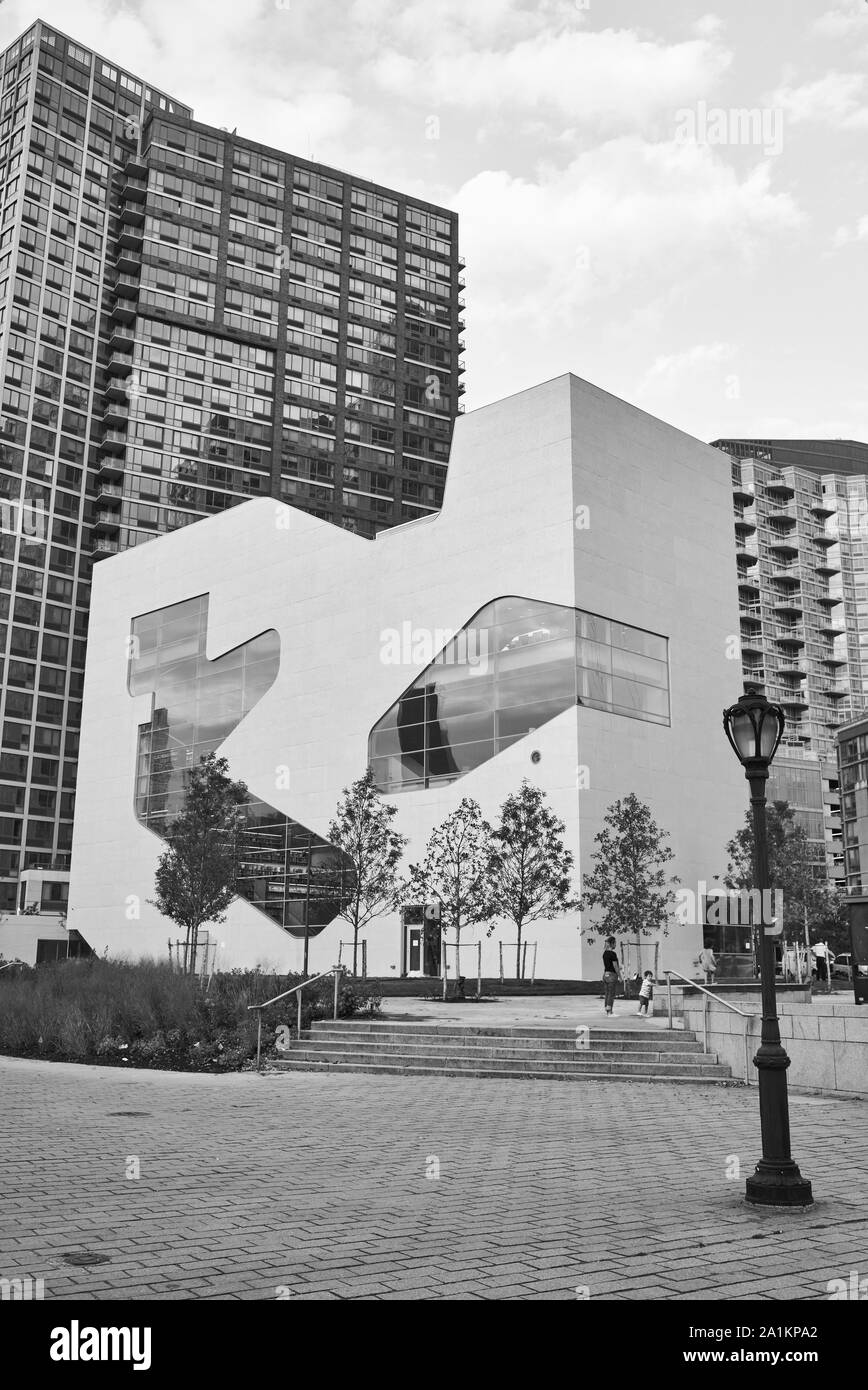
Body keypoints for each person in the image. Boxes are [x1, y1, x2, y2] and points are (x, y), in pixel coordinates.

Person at [602, 936, 620, 1015]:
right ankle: (610, 1012)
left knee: (607, 993)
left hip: (605, 975)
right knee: (611, 994)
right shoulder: (613, 954)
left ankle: (608, 1010)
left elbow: (608, 965)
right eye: (615, 943)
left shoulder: (605, 953)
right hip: (612, 975)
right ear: (612, 943)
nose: (616, 945)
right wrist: (620, 976)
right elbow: (615, 966)